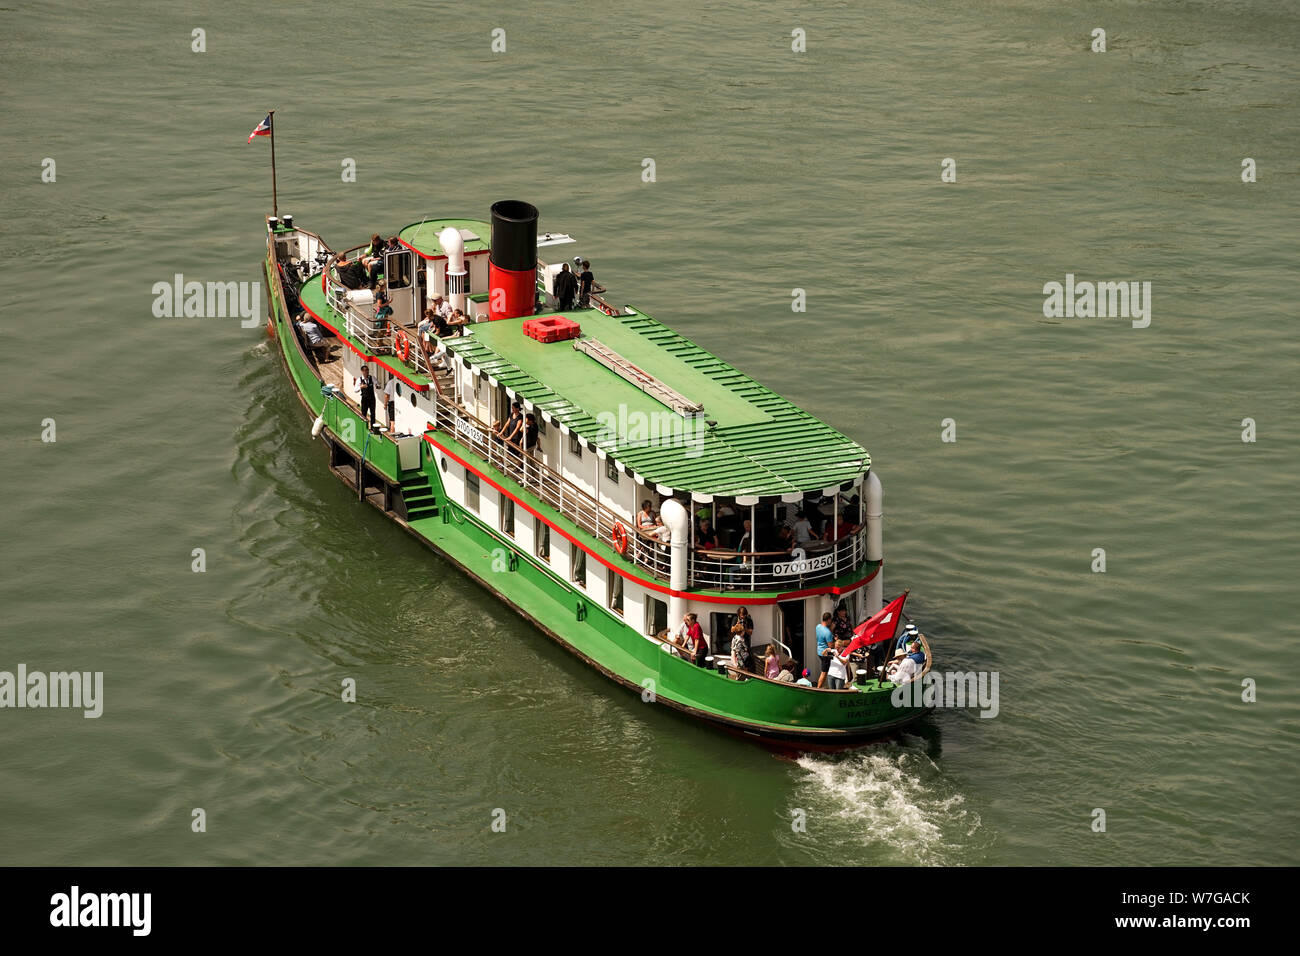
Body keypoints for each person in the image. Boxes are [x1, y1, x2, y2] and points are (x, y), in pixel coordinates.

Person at [815, 611, 835, 689]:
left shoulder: (818, 626)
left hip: (819, 651)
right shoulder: (828, 633)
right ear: (829, 620)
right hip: (826, 654)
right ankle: (818, 688)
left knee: (825, 670)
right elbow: (831, 646)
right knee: (824, 672)